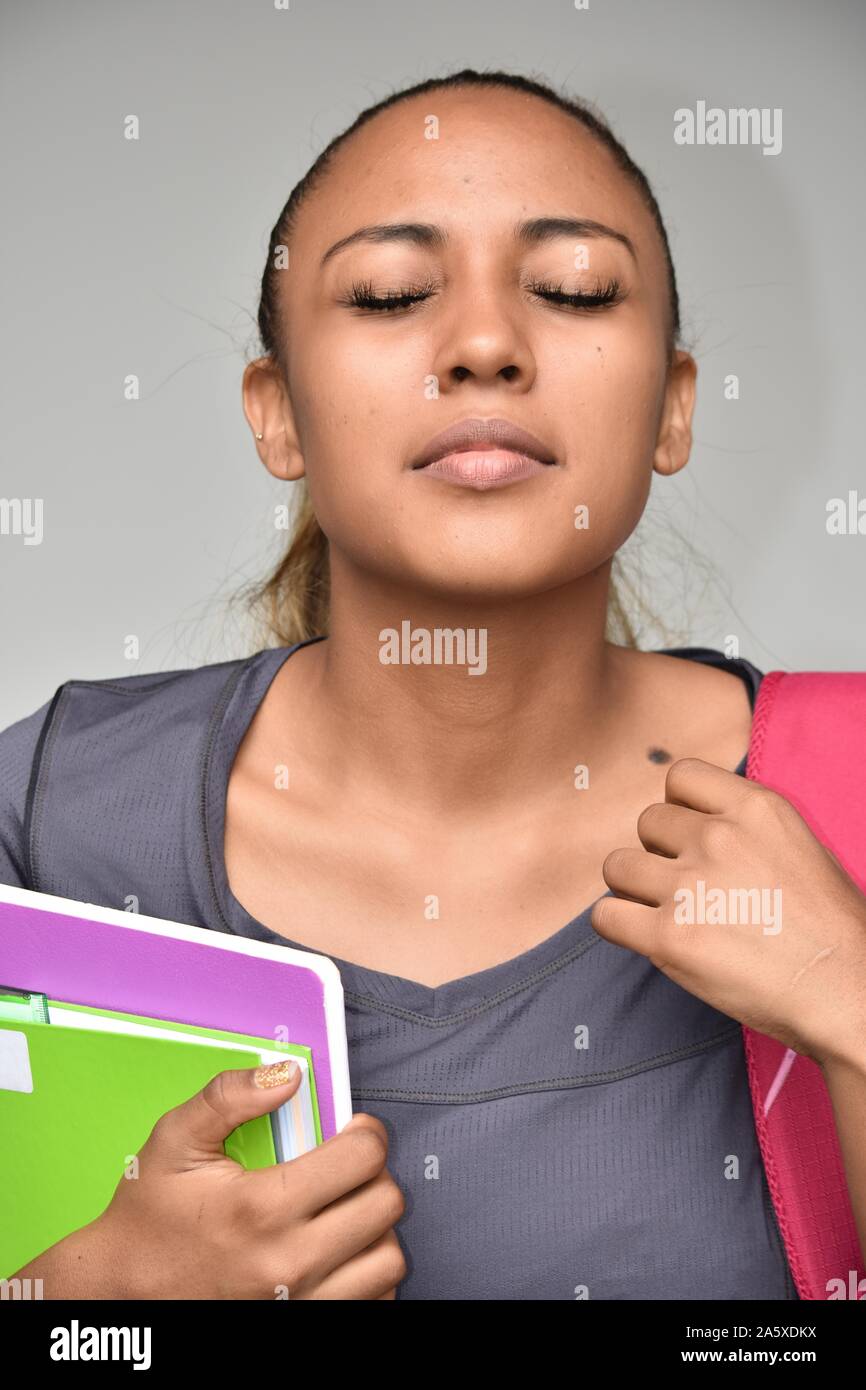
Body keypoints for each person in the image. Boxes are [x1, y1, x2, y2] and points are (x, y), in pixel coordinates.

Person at [2, 69, 865, 1301]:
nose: (481, 346)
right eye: (389, 293)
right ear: (277, 415)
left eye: (571, 288)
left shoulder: (853, 788)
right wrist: (86, 1306)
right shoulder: (59, 817)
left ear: (671, 410)